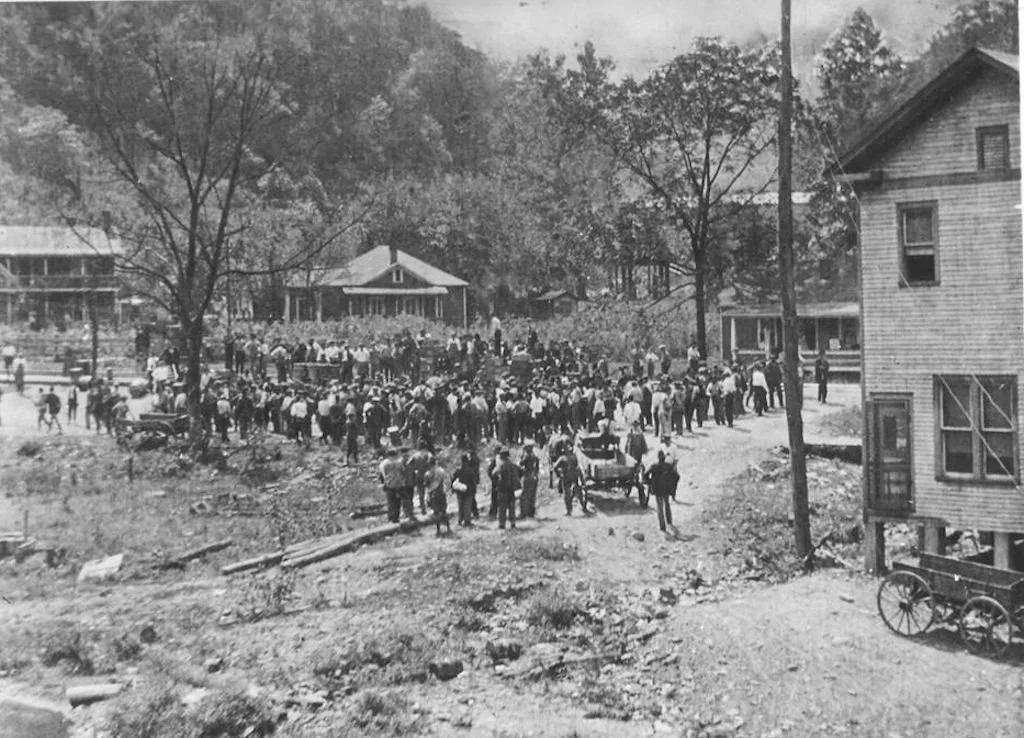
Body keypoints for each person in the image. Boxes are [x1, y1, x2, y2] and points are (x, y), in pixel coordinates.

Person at [645, 450, 679, 532]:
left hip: (657, 490)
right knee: (667, 505)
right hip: (666, 489)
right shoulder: (668, 466)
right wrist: (672, 485)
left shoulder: (654, 466)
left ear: (658, 458)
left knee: (660, 508)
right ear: (664, 458)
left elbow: (645, 475)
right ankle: (669, 521)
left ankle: (662, 526)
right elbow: (676, 476)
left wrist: (650, 483)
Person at [490, 447, 520, 530]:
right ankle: (513, 523)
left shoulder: (501, 465)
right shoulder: (512, 465)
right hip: (510, 488)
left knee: (502, 507)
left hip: (502, 488)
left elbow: (493, 473)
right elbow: (516, 475)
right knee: (511, 507)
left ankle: (502, 524)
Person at [423, 455, 451, 536]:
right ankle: (448, 527)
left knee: (436, 513)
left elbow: (426, 484)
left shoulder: (427, 474)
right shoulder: (441, 471)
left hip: (433, 494)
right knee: (444, 511)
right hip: (442, 493)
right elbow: (446, 480)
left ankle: (438, 530)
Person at [553, 447, 584, 516]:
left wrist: (559, 475)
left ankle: (569, 510)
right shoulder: (574, 457)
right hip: (574, 476)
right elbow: (577, 466)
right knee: (578, 489)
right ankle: (582, 504)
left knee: (567, 494)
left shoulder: (562, 458)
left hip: (566, 477)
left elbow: (555, 467)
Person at [379, 447, 407, 524]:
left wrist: (383, 482)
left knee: (390, 501)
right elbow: (403, 471)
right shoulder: (398, 462)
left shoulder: (383, 463)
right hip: (399, 483)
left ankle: (390, 517)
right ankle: (396, 517)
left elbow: (381, 474)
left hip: (389, 483)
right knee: (398, 501)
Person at [452, 453, 478, 527]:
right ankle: (467, 521)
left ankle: (460, 520)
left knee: (460, 506)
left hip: (459, 491)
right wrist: (474, 490)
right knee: (467, 506)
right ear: (467, 461)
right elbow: (473, 481)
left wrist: (453, 488)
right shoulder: (470, 470)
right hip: (468, 491)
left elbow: (453, 479)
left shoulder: (457, 470)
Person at [518, 441, 540, 519]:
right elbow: (537, 468)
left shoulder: (526, 456)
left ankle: (524, 513)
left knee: (524, 496)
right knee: (532, 495)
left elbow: (521, 464)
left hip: (527, 476)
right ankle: (531, 512)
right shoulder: (535, 457)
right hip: (534, 476)